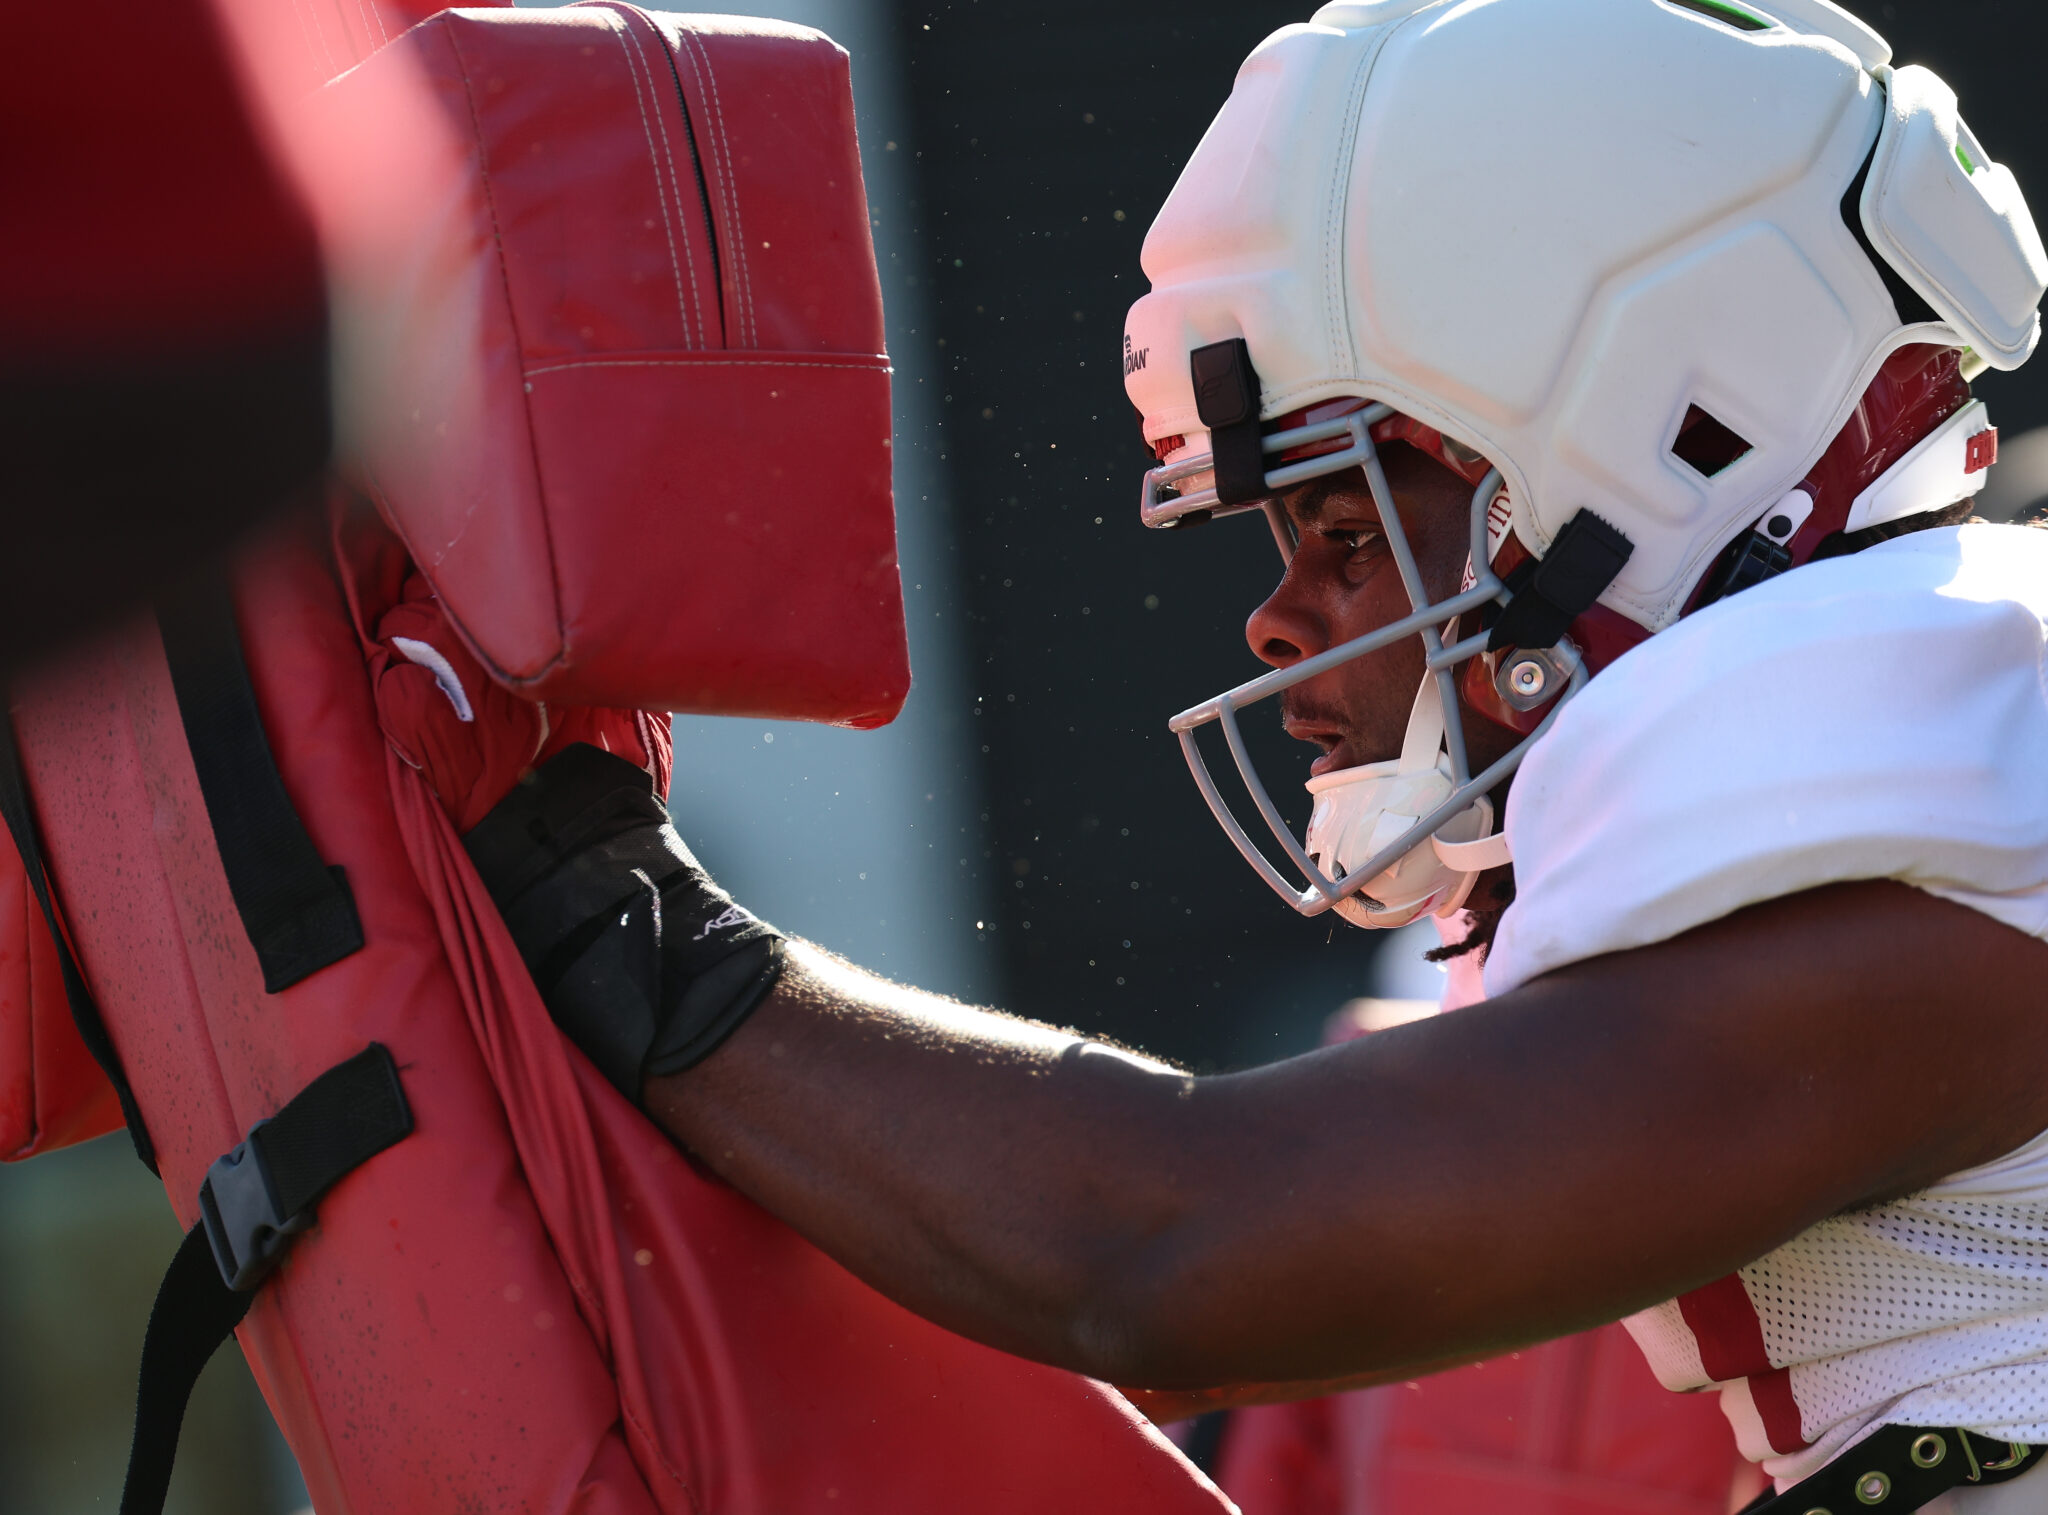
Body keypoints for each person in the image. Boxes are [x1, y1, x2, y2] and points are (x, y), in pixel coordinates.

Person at [476, 2, 2048, 1510]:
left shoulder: (1933, 800)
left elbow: (1172, 1260)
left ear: (1678, 448)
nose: (1277, 623)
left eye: (1347, 530)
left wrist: (651, 944)